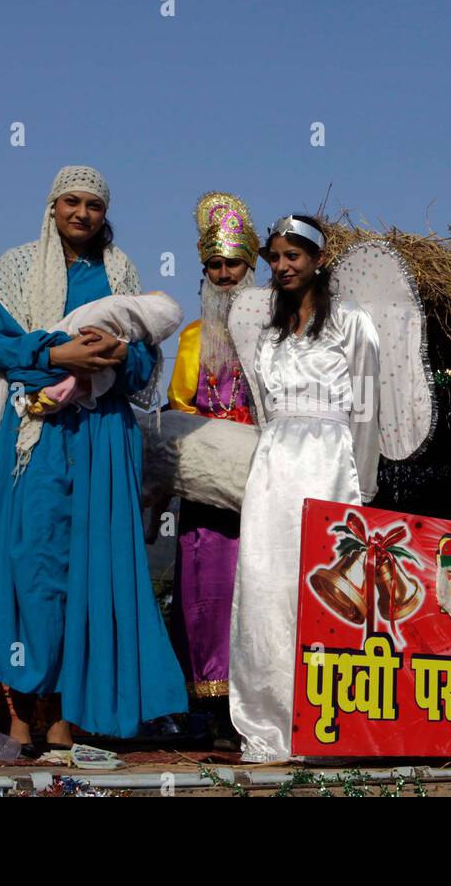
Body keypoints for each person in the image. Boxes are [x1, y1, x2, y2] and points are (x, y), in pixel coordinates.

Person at [0, 166, 186, 751]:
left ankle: (68, 719)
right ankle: (18, 716)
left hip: (100, 436)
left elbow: (144, 365)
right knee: (29, 565)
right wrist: (59, 351)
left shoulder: (120, 273)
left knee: (92, 568)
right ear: (52, 205)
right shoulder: (14, 267)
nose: (81, 213)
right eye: (71, 201)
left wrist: (115, 355)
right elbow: (0, 348)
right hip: (35, 431)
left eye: (93, 204)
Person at [227, 214, 381, 762]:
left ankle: (327, 721)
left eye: (293, 256)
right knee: (268, 585)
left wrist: (359, 491)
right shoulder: (268, 332)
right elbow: (267, 410)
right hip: (275, 465)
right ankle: (269, 723)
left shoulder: (354, 323)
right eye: (274, 257)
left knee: (323, 588)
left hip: (329, 464)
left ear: (317, 259)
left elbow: (366, 413)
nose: (282, 266)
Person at [165, 192, 259, 747]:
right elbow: (181, 412)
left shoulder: (275, 331)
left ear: (253, 268)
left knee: (259, 588)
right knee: (206, 592)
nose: (224, 275)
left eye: (234, 265)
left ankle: (259, 702)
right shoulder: (193, 339)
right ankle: (212, 712)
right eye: (215, 267)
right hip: (207, 490)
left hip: (263, 479)